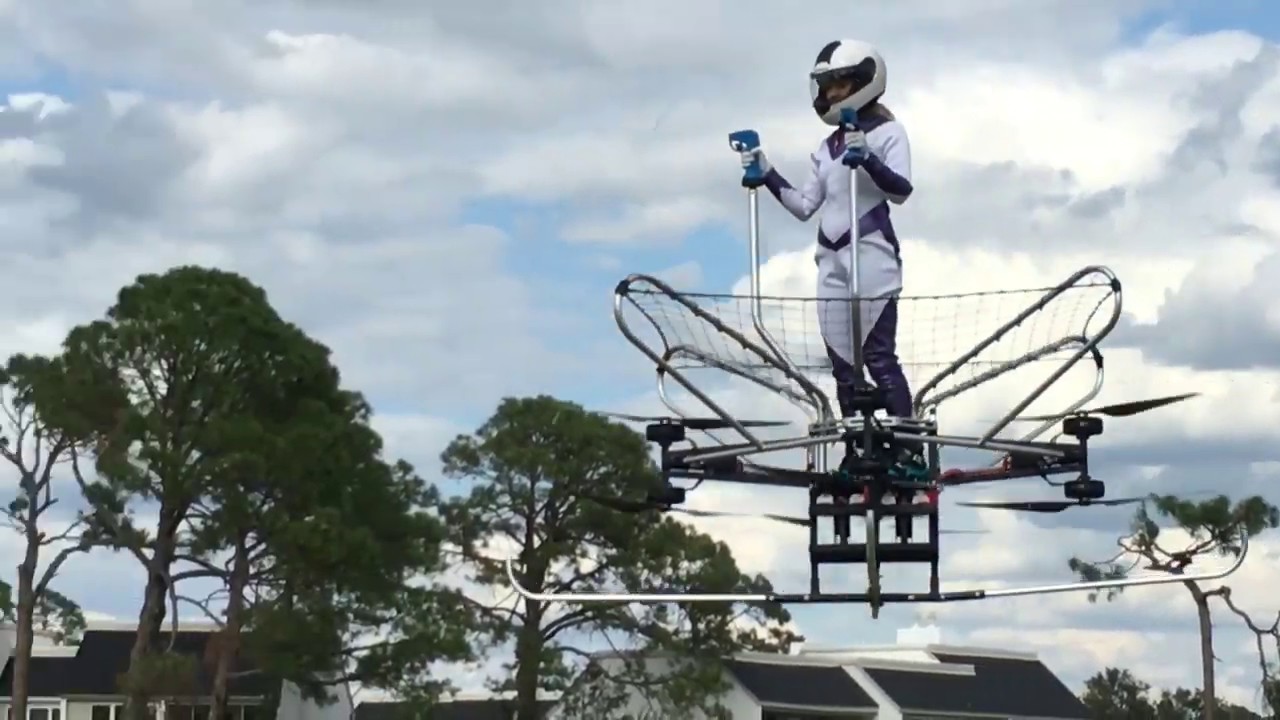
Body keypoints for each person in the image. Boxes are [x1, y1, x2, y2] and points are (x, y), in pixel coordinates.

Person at [736, 39, 924, 479]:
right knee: (843, 366)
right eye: (829, 86)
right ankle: (858, 448)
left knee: (879, 357)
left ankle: (908, 450)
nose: (834, 93)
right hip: (832, 258)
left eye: (841, 83)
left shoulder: (889, 133)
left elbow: (901, 191)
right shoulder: (825, 148)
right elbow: (805, 206)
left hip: (872, 250)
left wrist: (869, 160)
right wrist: (766, 173)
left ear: (862, 80)